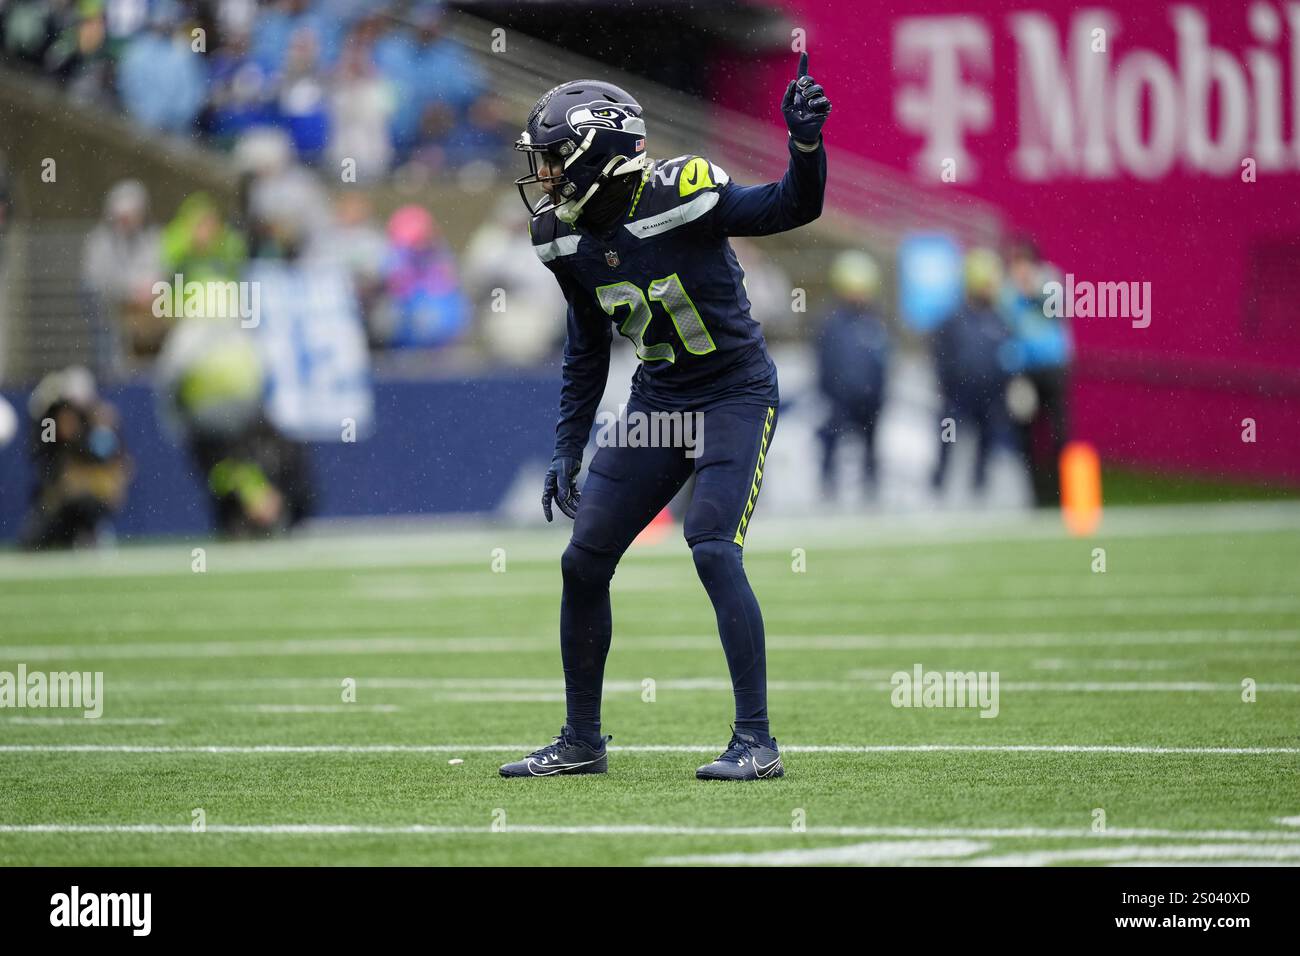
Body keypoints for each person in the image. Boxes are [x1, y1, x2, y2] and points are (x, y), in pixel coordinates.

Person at [498, 54, 831, 781]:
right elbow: (587, 349)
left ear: (596, 152)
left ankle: (757, 741)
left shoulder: (683, 194)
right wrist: (568, 446)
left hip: (734, 393)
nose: (545, 177)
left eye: (555, 158)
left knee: (712, 545)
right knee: (583, 561)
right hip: (660, 403)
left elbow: (789, 207)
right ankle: (581, 741)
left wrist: (805, 148)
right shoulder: (561, 236)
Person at [931, 248, 1012, 496]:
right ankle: (939, 487)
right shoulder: (954, 319)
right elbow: (942, 357)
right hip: (956, 396)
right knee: (947, 438)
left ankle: (980, 488)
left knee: (987, 443)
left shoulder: (1000, 319)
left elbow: (1007, 356)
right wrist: (948, 386)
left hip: (990, 397)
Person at [816, 250, 889, 499]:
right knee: (831, 443)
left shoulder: (876, 320)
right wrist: (829, 393)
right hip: (839, 399)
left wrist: (880, 393)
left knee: (871, 448)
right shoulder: (831, 321)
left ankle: (871, 492)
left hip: (870, 399)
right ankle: (827, 489)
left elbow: (883, 362)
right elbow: (825, 362)